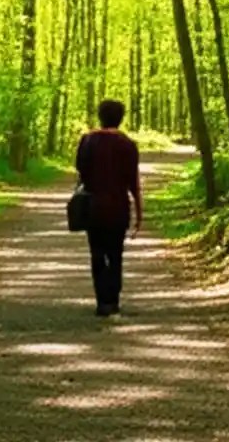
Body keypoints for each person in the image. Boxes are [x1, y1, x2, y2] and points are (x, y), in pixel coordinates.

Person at [74, 99, 143, 317]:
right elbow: (134, 183)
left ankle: (101, 300)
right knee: (115, 253)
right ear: (121, 118)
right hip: (119, 208)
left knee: (96, 252)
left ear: (100, 116)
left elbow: (80, 173)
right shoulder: (128, 144)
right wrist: (140, 214)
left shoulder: (87, 141)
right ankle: (112, 299)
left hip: (93, 207)